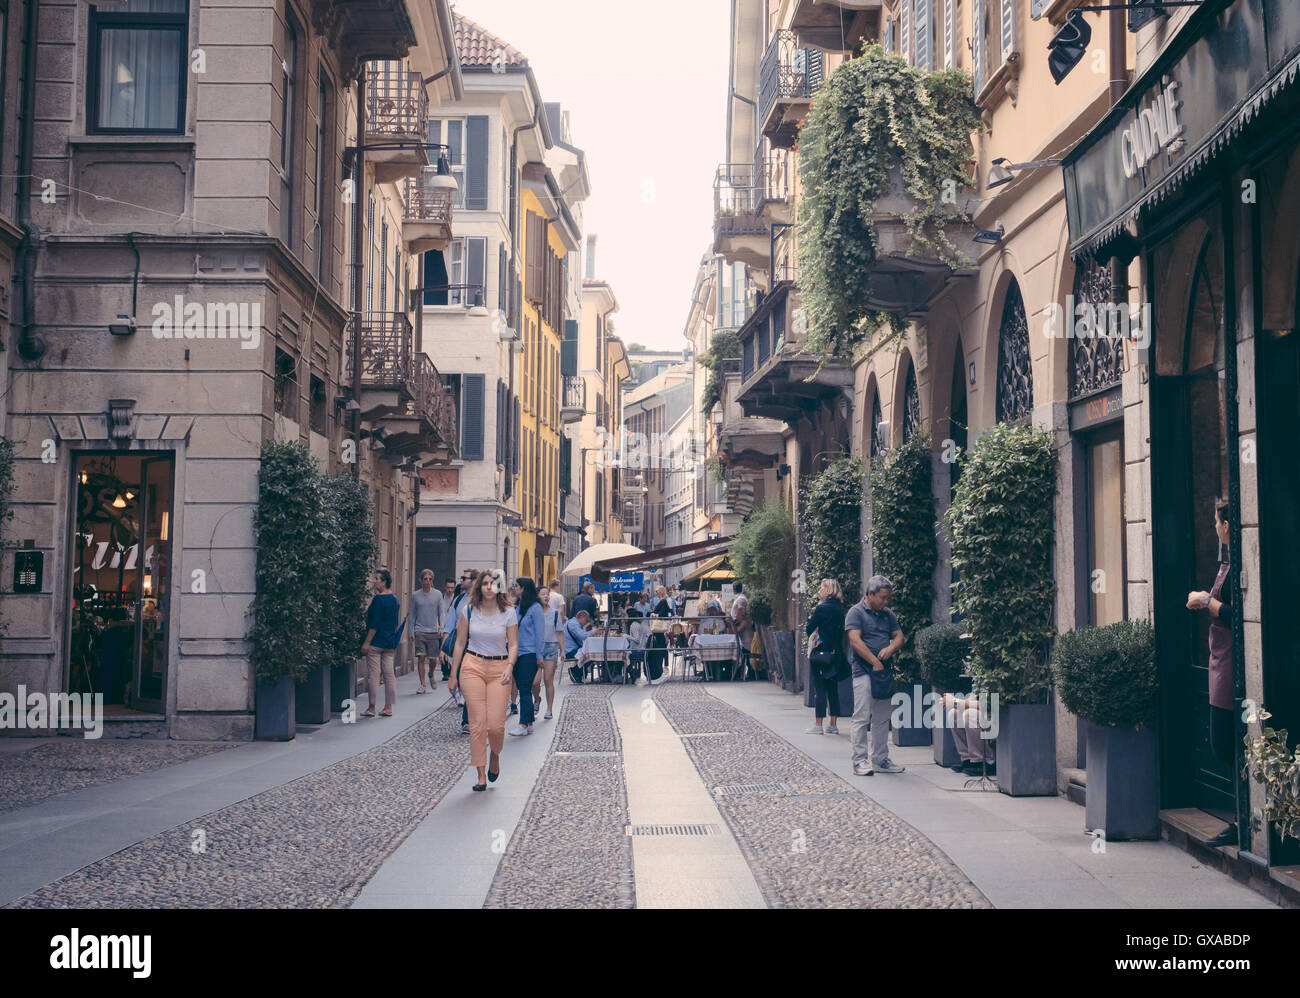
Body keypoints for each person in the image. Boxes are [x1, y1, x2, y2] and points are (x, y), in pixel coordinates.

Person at [1187, 498, 1237, 847]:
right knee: (1223, 743)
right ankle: (1241, 819)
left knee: (1225, 743)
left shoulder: (1241, 563)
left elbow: (1239, 615)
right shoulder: (1228, 561)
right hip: (1220, 661)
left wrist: (1207, 601)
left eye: (1216, 522)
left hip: (1233, 664)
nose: (1214, 527)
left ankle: (1242, 821)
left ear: (1227, 526)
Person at [450, 569, 518, 791]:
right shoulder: (469, 610)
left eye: (493, 583)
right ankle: (480, 774)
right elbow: (460, 643)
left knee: (496, 725)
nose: (489, 587)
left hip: (500, 668)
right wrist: (453, 674)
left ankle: (495, 754)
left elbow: (513, 643)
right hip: (472, 666)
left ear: (499, 587)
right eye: (485, 583)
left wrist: (510, 666)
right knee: (477, 723)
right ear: (479, 586)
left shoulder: (508, 612)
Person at [846, 575, 905, 776]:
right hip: (863, 670)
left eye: (888, 598)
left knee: (882, 718)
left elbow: (899, 636)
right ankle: (859, 761)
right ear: (870, 594)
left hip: (883, 672)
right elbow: (855, 641)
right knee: (861, 716)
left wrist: (890, 648)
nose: (886, 602)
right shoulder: (855, 612)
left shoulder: (888, 614)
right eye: (882, 598)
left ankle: (880, 760)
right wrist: (874, 661)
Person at [805, 578, 848, 735]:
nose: (819, 590)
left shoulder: (821, 608)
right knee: (833, 688)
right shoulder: (840, 608)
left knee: (820, 688)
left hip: (821, 653)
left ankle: (818, 725)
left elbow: (809, 628)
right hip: (836, 653)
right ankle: (833, 725)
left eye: (821, 587)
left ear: (828, 589)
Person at [361, 569, 401, 718]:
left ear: (384, 582)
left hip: (376, 642)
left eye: (376, 579)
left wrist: (366, 642)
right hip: (389, 642)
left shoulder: (378, 600)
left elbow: (374, 624)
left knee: (374, 675)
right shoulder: (394, 600)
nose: (374, 581)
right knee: (389, 675)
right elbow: (395, 624)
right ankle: (388, 707)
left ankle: (371, 707)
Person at [510, 577, 544, 737]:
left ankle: (523, 724)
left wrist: (539, 656)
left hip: (529, 653)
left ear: (523, 588)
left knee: (524, 688)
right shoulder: (518, 606)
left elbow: (540, 633)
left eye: (516, 586)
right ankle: (529, 722)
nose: (514, 588)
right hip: (516, 653)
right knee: (523, 687)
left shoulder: (536, 608)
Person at [941, 685, 995, 775]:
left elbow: (989, 705)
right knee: (953, 714)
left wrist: (956, 702)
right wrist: (954, 702)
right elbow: (973, 698)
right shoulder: (978, 679)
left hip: (997, 716)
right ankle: (968, 759)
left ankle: (984, 761)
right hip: (986, 715)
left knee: (970, 714)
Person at [411, 569, 446, 694]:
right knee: (421, 657)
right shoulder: (415, 595)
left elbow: (441, 612)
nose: (428, 581)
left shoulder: (438, 595)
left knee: (433, 659)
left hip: (433, 631)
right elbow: (412, 614)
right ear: (421, 580)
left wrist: (441, 627)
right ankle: (423, 684)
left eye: (430, 579)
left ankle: (431, 674)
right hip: (419, 630)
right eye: (425, 579)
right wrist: (410, 631)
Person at [533, 585, 562, 720]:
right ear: (537, 596)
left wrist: (563, 650)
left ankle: (549, 709)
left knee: (548, 679)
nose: (546, 596)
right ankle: (537, 699)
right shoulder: (533, 612)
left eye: (547, 594)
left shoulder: (555, 613)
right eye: (543, 594)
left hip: (551, 647)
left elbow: (559, 632)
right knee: (535, 682)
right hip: (536, 648)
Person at [563, 609, 593, 684]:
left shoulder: (572, 622)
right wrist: (593, 632)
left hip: (570, 649)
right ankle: (574, 671)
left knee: (590, 654)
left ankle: (578, 674)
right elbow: (582, 636)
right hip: (569, 651)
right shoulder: (573, 624)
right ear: (581, 618)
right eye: (586, 621)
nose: (586, 623)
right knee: (591, 655)